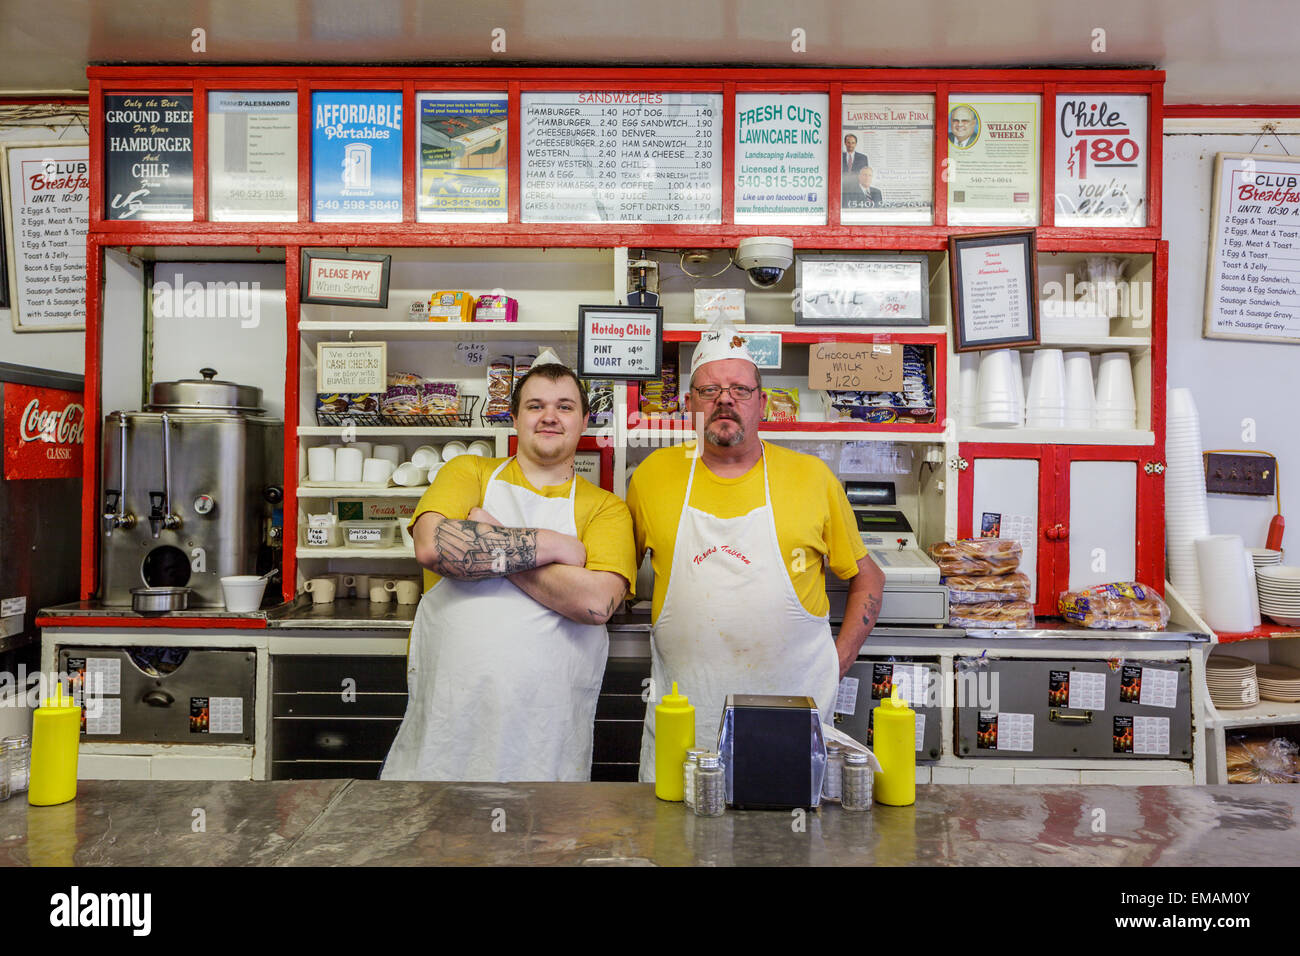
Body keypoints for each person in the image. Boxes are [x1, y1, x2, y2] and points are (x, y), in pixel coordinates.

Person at [627, 325, 886, 777]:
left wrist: (833, 664)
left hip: (789, 713)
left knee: (788, 835)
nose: (725, 400)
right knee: (671, 842)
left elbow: (868, 578)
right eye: (710, 389)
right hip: (684, 716)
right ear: (689, 404)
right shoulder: (651, 477)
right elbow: (618, 577)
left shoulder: (811, 477)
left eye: (740, 389)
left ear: (761, 403)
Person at [382, 353, 636, 782]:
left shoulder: (606, 509)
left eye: (564, 406)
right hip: (449, 721)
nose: (549, 417)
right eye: (535, 406)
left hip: (546, 732)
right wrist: (554, 546)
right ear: (515, 418)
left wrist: (490, 538)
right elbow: (431, 547)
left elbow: (594, 604)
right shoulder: (470, 471)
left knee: (541, 846)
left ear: (584, 421)